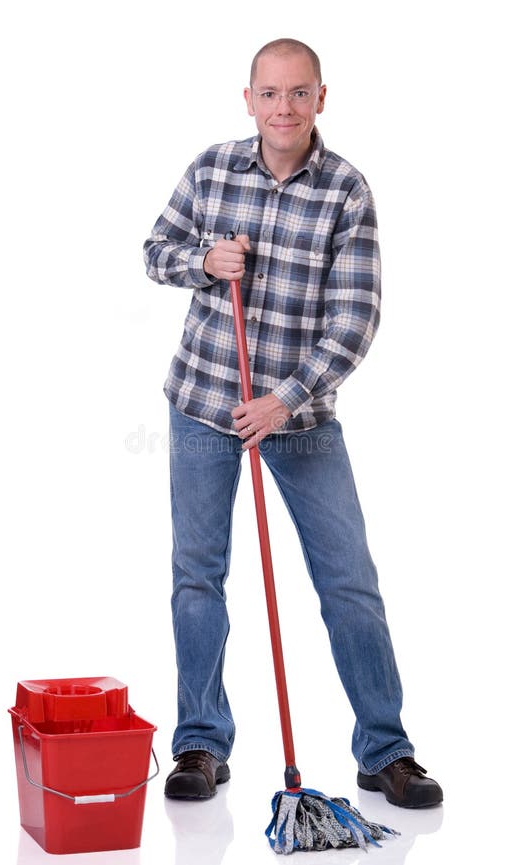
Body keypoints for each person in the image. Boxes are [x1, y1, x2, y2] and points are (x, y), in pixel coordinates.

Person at [143, 38, 442, 809]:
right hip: (204, 403)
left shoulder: (346, 190)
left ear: (320, 98)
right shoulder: (212, 169)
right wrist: (205, 261)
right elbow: (155, 250)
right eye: (269, 94)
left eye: (298, 93)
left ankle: (386, 749)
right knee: (197, 579)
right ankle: (201, 742)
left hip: (300, 418)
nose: (283, 108)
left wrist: (285, 398)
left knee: (349, 580)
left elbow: (356, 317)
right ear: (249, 100)